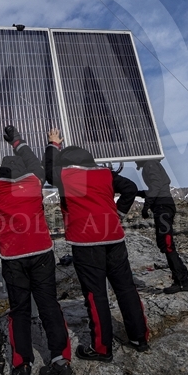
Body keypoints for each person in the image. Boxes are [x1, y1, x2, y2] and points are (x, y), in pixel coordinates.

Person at [0, 125, 73, 375]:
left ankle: (22, 367)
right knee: (49, 306)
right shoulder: (35, 180)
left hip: (13, 259)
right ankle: (61, 361)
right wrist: (16, 140)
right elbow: (35, 162)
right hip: (42, 253)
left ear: (1, 172)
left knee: (20, 310)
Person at [44, 128, 149, 362]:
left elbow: (50, 172)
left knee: (96, 294)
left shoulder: (69, 176)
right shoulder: (105, 175)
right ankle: (139, 337)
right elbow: (131, 189)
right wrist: (118, 214)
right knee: (126, 288)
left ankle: (102, 348)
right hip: (114, 237)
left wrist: (53, 144)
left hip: (86, 242)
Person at [136, 160, 188, 294]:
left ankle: (181, 282)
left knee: (167, 245)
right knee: (165, 244)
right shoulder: (152, 164)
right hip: (164, 206)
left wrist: (146, 206)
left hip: (162, 207)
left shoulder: (150, 164)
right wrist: (139, 193)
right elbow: (158, 187)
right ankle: (184, 278)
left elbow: (156, 186)